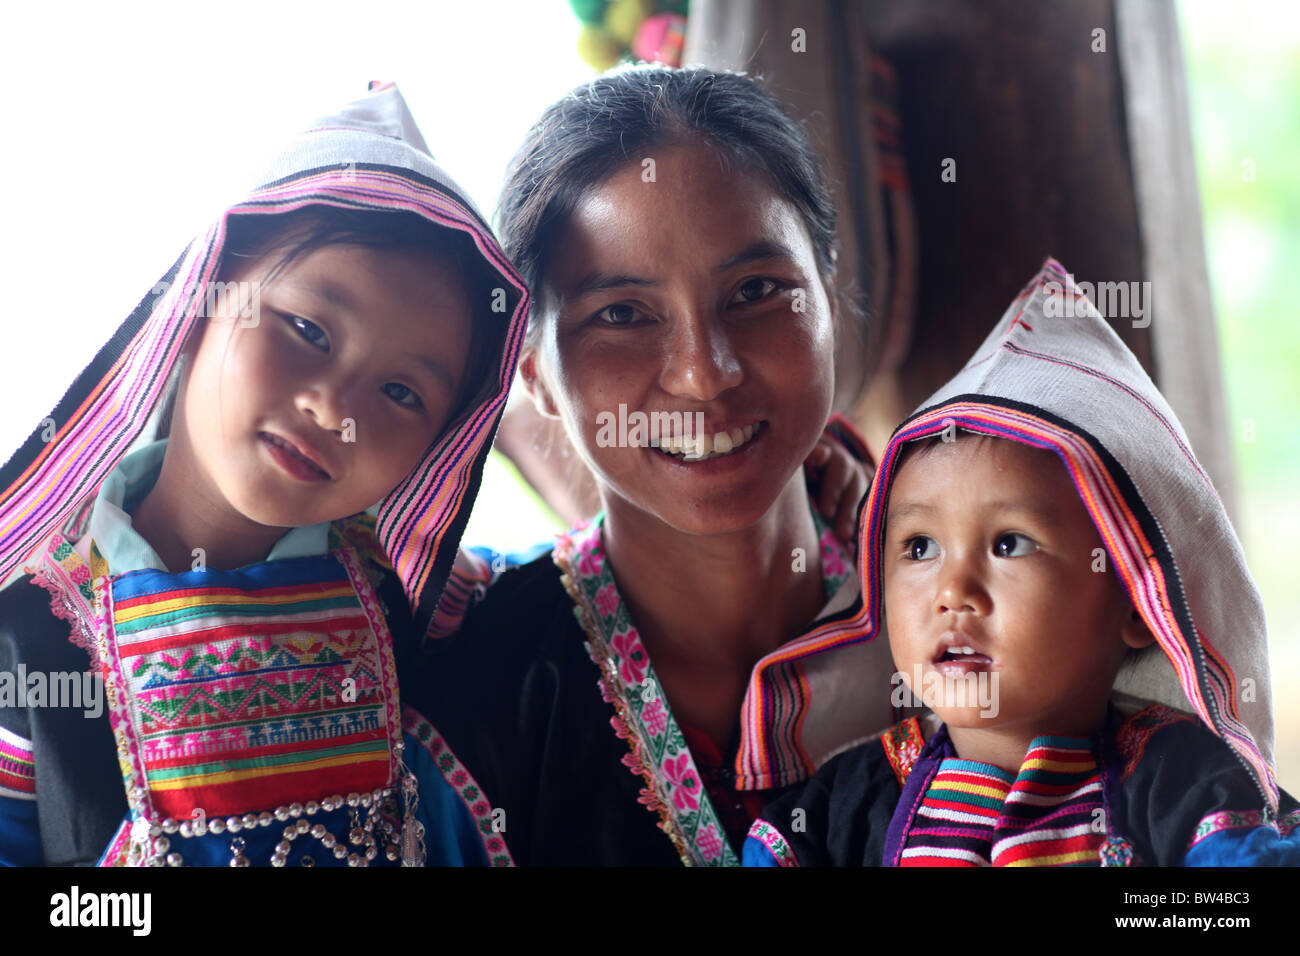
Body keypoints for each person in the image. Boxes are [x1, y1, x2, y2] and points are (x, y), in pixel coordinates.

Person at [0, 82, 527, 867]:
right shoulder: (30, 636)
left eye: (401, 393)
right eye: (307, 328)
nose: (332, 406)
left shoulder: (420, 613)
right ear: (198, 301)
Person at [406, 67, 893, 866]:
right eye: (622, 314)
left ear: (828, 302)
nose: (705, 373)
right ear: (533, 373)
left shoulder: (965, 608)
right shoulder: (478, 695)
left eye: (757, 290)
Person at [743, 259, 1300, 866]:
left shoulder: (1179, 786)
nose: (953, 591)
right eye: (920, 547)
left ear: (1137, 601)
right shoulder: (844, 807)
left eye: (1009, 544)